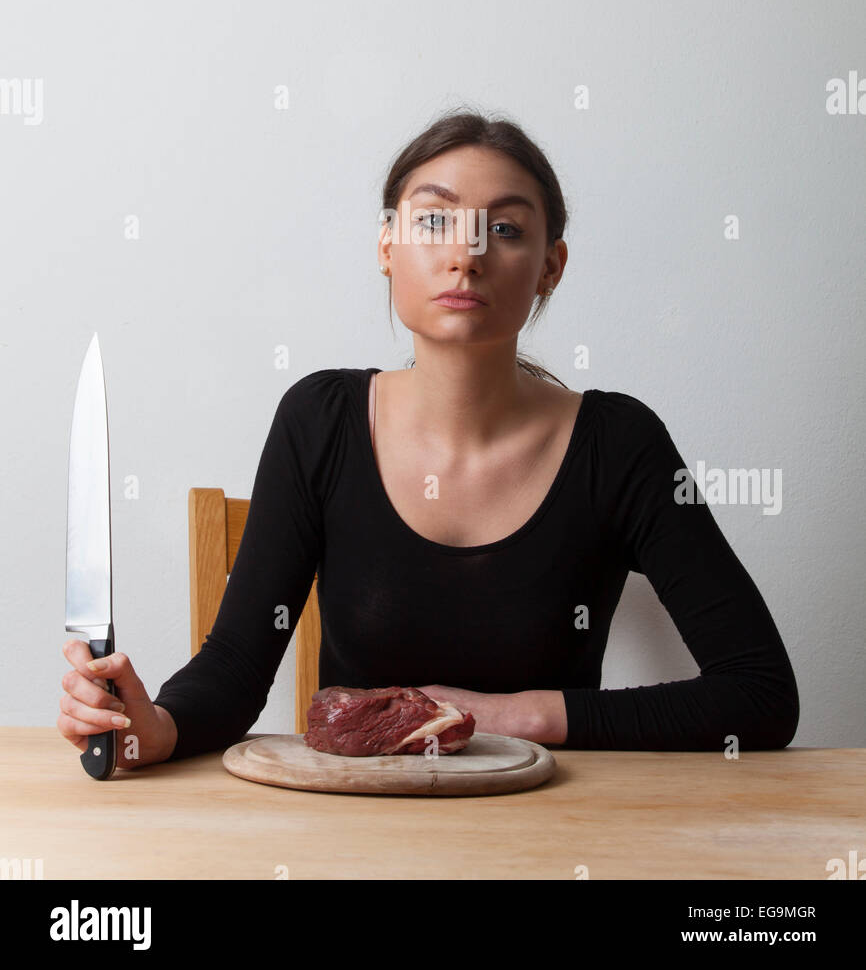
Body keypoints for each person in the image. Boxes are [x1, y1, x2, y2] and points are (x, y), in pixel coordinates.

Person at [58, 107, 799, 767]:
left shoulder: (619, 444)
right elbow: (234, 668)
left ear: (551, 268)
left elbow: (760, 693)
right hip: (353, 834)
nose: (466, 253)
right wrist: (154, 726)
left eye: (504, 228)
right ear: (387, 246)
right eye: (434, 220)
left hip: (555, 834)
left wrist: (516, 713)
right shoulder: (319, 421)